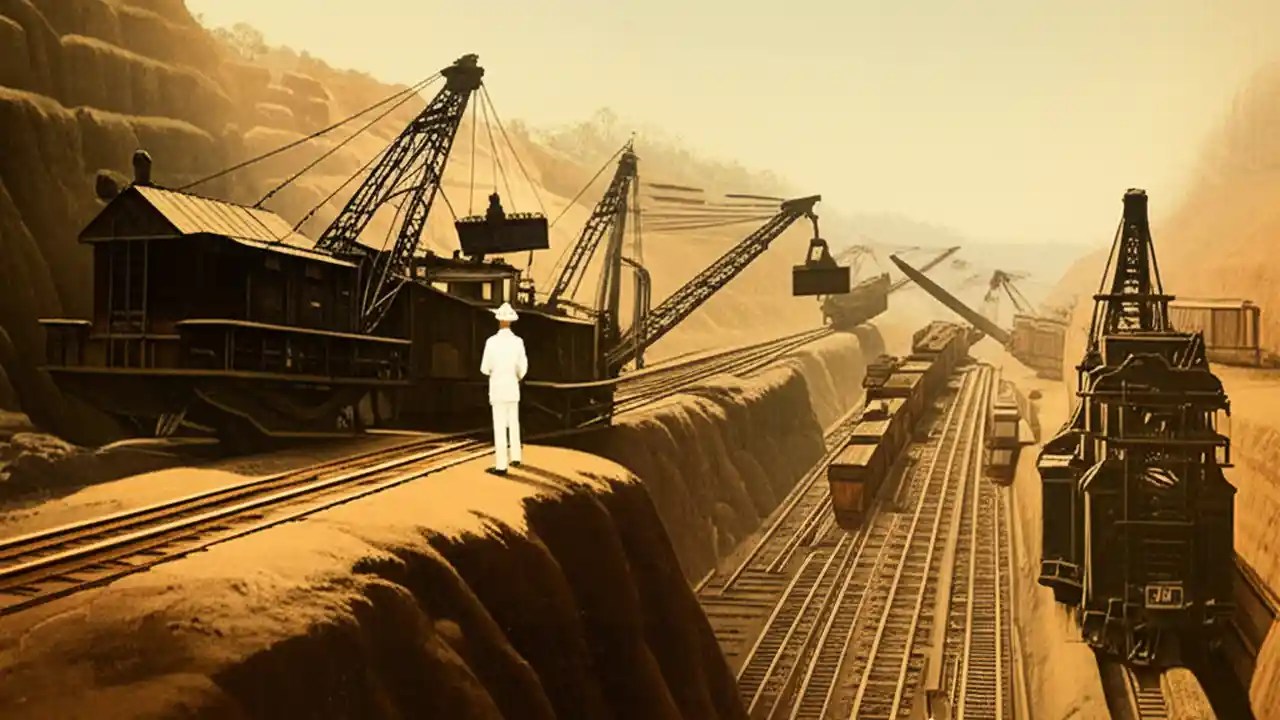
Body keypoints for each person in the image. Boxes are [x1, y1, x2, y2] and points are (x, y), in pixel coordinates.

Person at [479, 302, 527, 475]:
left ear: (499, 321)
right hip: (513, 388)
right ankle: (516, 456)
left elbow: (484, 368)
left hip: (498, 388)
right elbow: (523, 367)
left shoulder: (491, 342)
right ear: (511, 322)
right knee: (513, 422)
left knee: (499, 427)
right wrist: (516, 377)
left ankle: (501, 466)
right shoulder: (518, 342)